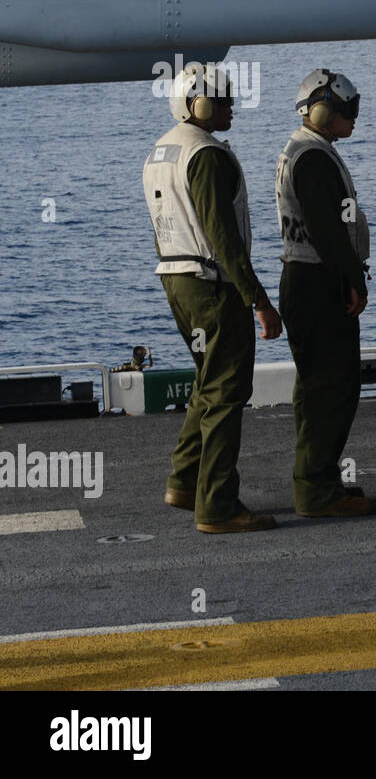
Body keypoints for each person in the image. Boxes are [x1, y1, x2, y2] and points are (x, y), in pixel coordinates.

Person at [143, 65, 282, 534]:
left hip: (176, 279)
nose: (230, 107)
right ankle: (218, 505)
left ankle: (184, 481)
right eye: (221, 101)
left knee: (208, 379)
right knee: (226, 391)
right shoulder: (206, 154)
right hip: (212, 284)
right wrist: (258, 299)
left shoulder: (161, 150)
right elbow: (223, 237)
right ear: (197, 105)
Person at [275, 69, 374, 519]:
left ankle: (320, 479)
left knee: (319, 387)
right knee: (331, 389)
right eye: (344, 111)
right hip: (317, 284)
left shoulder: (308, 150)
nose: (352, 118)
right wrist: (353, 279)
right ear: (319, 112)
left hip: (309, 280)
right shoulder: (313, 157)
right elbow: (328, 233)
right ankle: (316, 491)